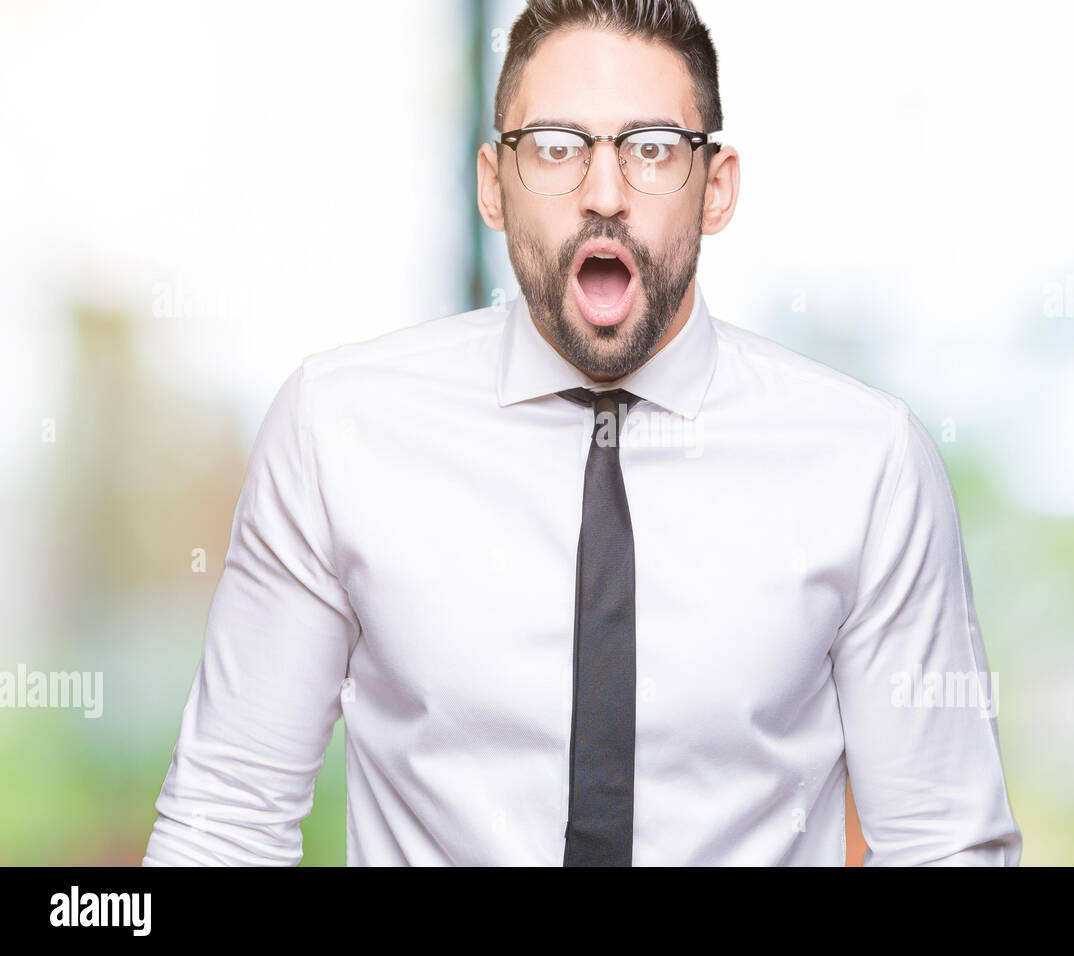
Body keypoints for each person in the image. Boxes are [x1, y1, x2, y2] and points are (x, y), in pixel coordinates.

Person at [142, 0, 1021, 866]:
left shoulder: (867, 464)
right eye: (557, 148)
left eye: (652, 150)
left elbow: (942, 845)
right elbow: (226, 821)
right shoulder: (336, 431)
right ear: (493, 185)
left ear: (716, 189)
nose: (605, 195)